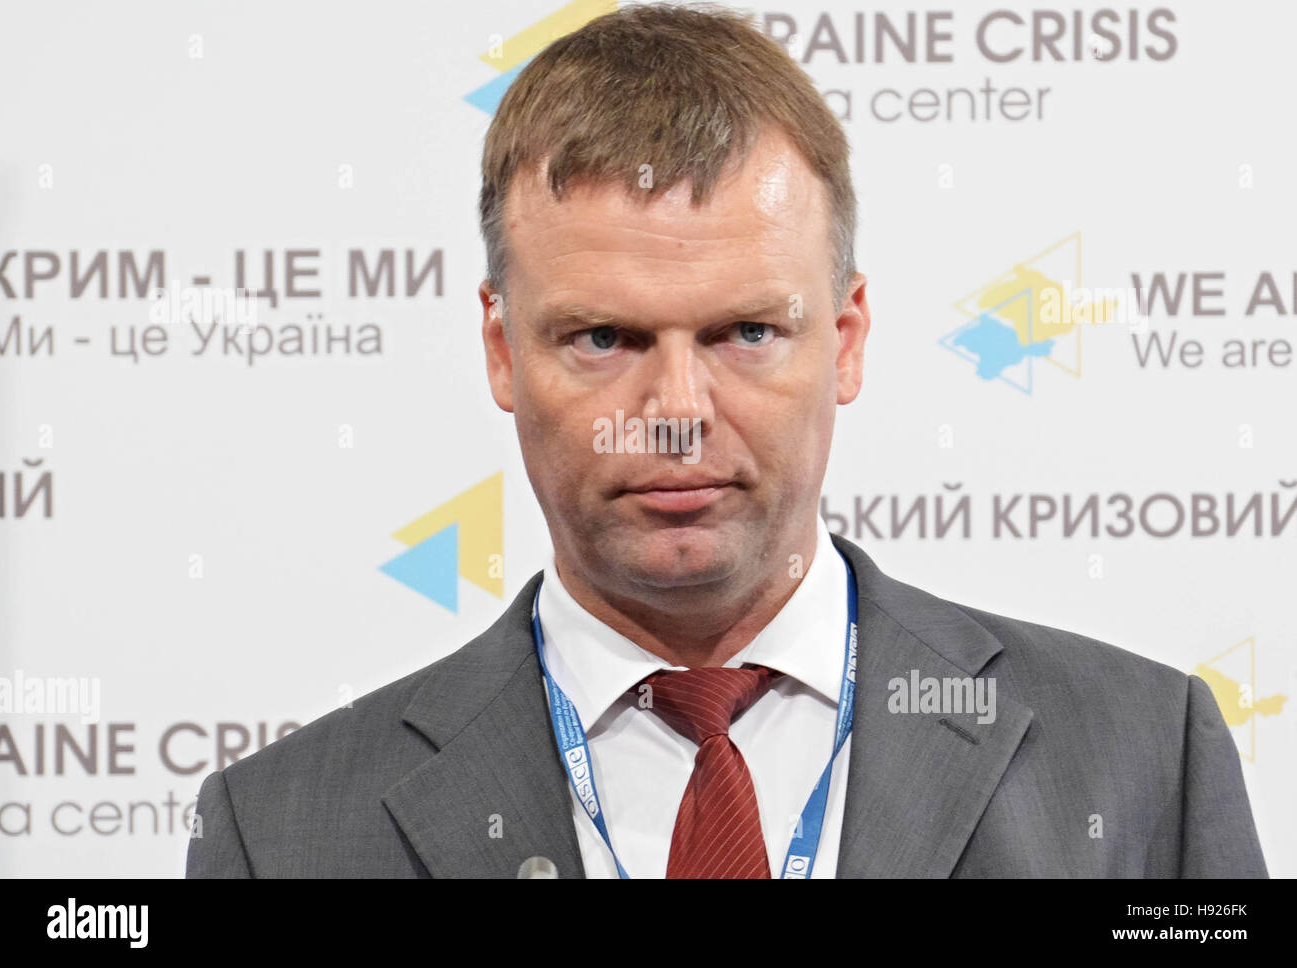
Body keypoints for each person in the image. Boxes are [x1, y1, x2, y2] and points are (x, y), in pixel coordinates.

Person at [186, 4, 1267, 878]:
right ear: (502, 348)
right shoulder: (278, 834)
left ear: (843, 342)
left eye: (746, 331)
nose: (674, 408)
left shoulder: (1138, 757)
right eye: (602, 336)